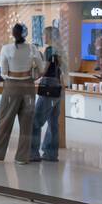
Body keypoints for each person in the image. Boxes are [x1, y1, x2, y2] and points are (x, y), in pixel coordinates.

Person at [0, 23, 42, 165]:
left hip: (12, 86)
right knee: (26, 123)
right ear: (25, 34)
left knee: (4, 121)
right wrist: (31, 76)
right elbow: (40, 68)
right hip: (28, 86)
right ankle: (22, 157)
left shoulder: (6, 48)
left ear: (13, 34)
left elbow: (4, 71)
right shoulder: (33, 48)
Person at [29, 25, 67, 162]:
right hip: (58, 87)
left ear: (50, 36)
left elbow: (43, 69)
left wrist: (32, 76)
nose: (43, 37)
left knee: (36, 121)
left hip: (48, 87)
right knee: (53, 122)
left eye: (45, 35)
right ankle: (51, 154)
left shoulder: (50, 50)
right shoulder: (61, 50)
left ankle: (33, 153)